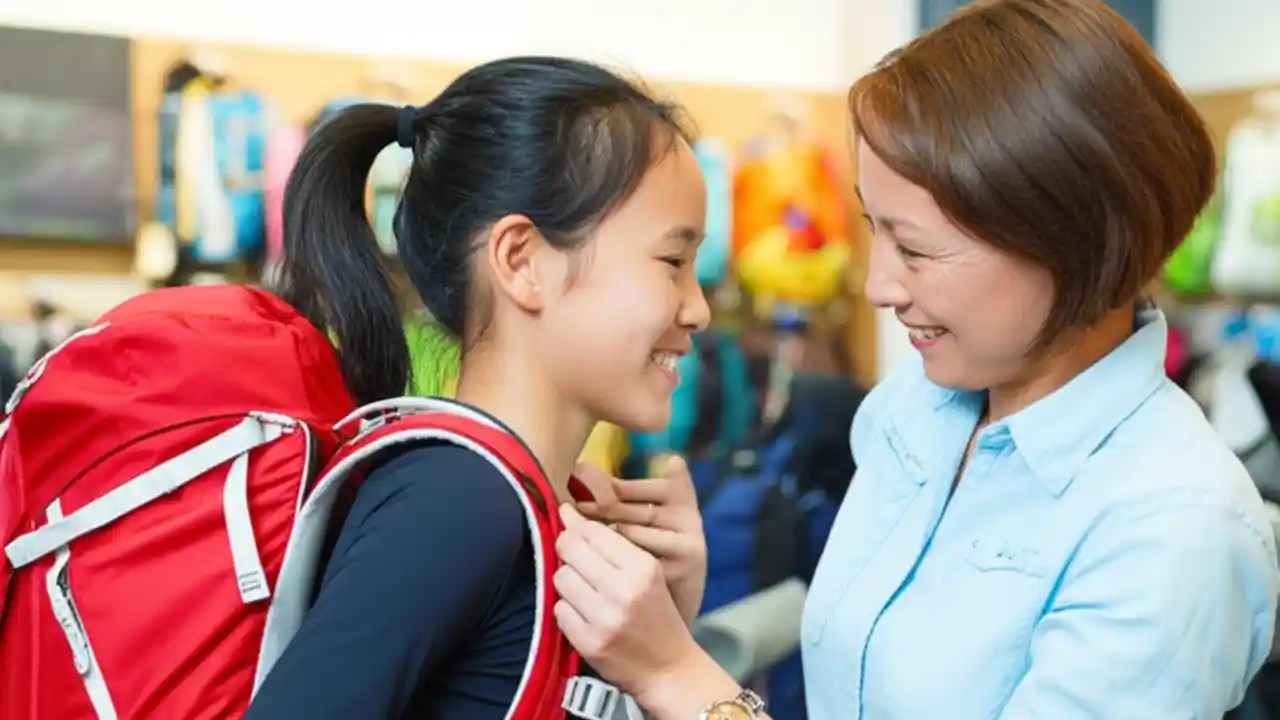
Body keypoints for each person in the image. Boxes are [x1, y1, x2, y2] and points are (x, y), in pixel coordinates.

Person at [552, 1, 1280, 718]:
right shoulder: (912, 411)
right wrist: (680, 619)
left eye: (918, 249)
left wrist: (680, 676)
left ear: (1073, 240)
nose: (879, 287)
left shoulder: (1176, 532)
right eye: (876, 231)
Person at [243, 56, 713, 718]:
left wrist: (667, 632)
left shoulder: (530, 505)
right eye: (672, 262)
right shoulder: (460, 501)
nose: (698, 309)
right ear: (521, 261)